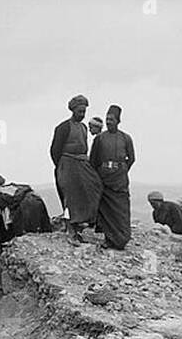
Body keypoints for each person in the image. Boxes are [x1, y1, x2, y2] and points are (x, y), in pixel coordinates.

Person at [49, 94, 103, 241]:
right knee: (70, 197)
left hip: (82, 164)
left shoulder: (84, 127)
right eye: (80, 111)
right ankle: (70, 229)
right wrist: (62, 166)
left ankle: (83, 224)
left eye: (84, 112)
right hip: (67, 165)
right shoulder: (63, 127)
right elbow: (55, 150)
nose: (82, 114)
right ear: (73, 111)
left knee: (95, 188)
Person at [88, 104, 135, 250]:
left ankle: (122, 239)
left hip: (119, 181)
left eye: (112, 119)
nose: (109, 122)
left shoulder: (126, 138)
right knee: (107, 211)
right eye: (107, 119)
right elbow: (93, 161)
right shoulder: (100, 139)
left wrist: (121, 171)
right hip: (104, 180)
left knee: (121, 211)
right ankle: (109, 239)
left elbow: (131, 159)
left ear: (118, 121)